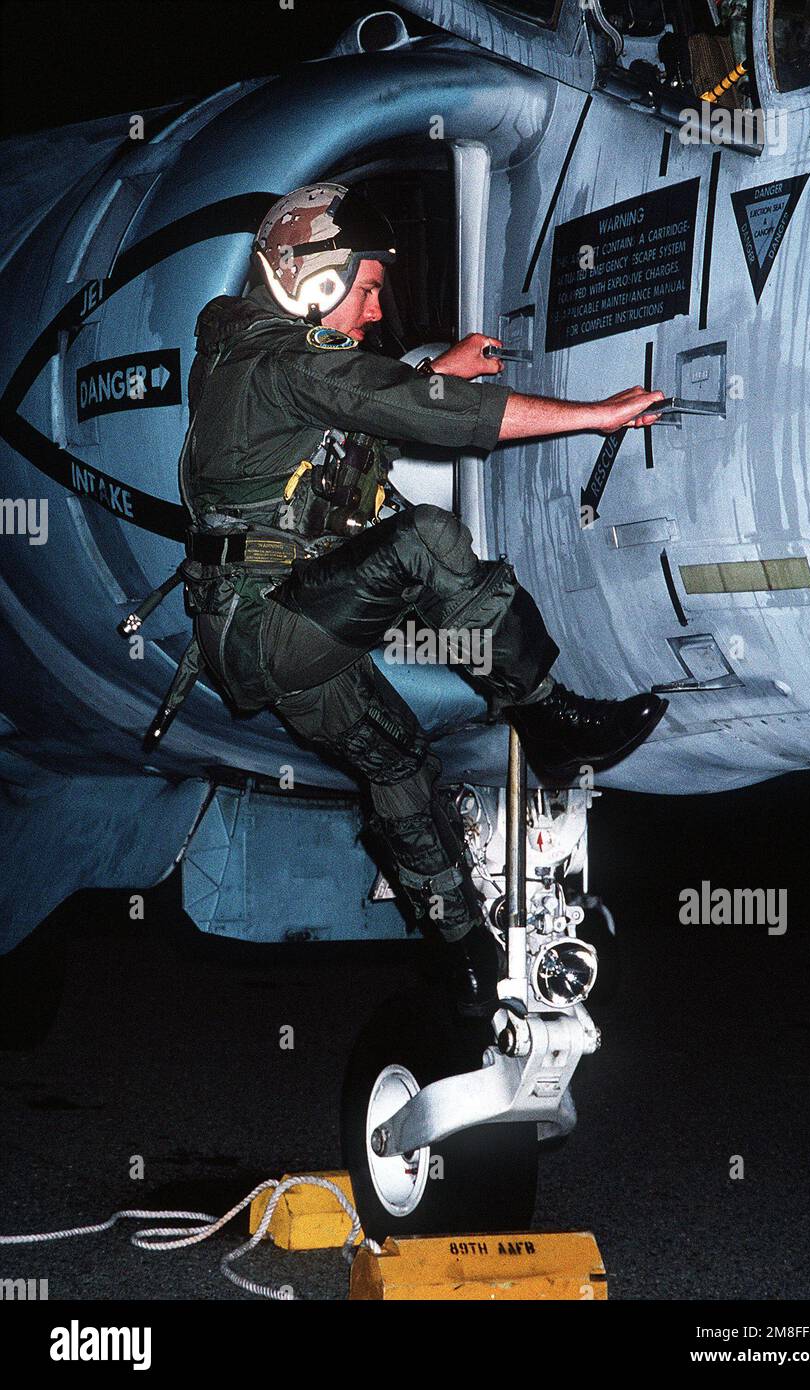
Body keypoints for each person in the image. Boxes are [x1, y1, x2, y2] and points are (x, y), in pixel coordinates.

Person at [179, 183, 668, 1017]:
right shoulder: (281, 361)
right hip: (274, 624)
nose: (373, 313)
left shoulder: (247, 358)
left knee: (398, 762)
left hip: (277, 629)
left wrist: (434, 371)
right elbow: (402, 411)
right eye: (365, 290)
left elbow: (345, 420)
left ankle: (461, 950)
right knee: (428, 541)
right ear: (315, 281)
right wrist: (594, 415)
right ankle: (547, 717)